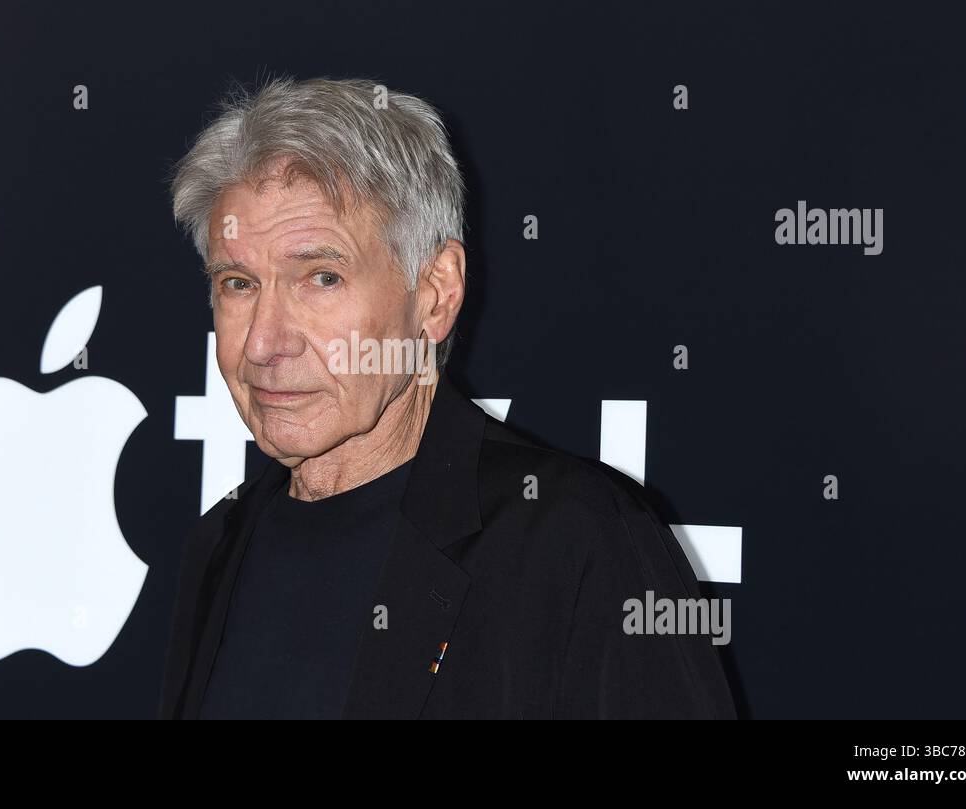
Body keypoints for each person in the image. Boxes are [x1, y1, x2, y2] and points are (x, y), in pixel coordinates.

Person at [159, 76, 735, 719]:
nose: (265, 342)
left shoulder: (581, 542)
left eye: (321, 278)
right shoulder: (219, 545)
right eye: (238, 283)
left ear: (435, 292)